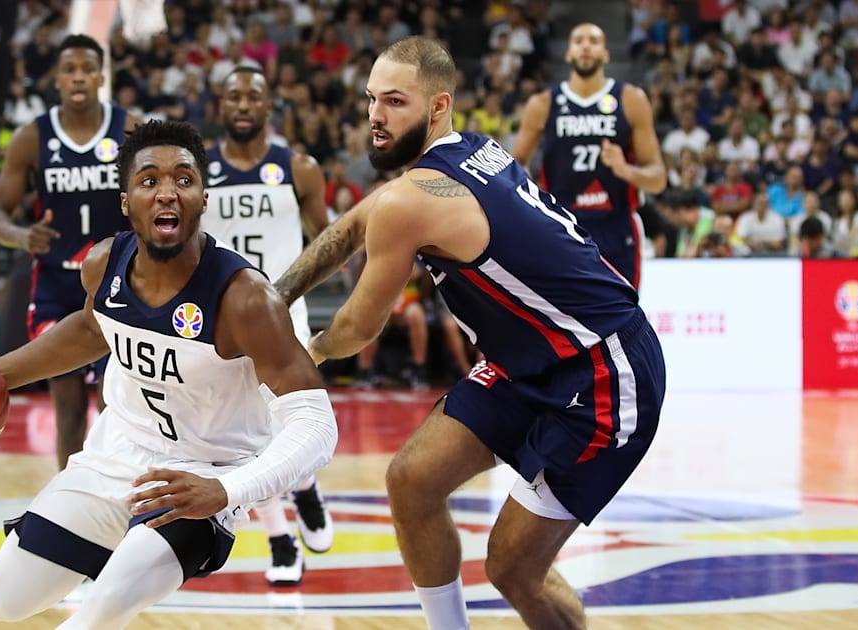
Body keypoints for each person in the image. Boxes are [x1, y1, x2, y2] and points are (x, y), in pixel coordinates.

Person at [273, 36, 666, 629]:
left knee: (512, 567)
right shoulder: (470, 151)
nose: (376, 116)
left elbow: (356, 327)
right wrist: (272, 301)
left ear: (437, 107)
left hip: (604, 372)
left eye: (395, 102)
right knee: (411, 481)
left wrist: (298, 353)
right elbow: (350, 228)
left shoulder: (416, 197)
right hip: (527, 363)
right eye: (371, 99)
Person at [0, 120, 337, 628]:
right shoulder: (103, 265)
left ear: (204, 197)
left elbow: (318, 425)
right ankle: (129, 552)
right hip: (114, 460)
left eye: (184, 179)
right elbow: (89, 330)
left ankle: (149, 557)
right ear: (126, 202)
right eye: (149, 180)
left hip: (201, 477)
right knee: (5, 600)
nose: (167, 192)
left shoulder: (245, 299)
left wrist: (229, 491)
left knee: (98, 610)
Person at [202, 66, 333, 586]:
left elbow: (329, 244)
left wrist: (292, 289)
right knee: (246, 438)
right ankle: (280, 537)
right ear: (220, 105)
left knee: (288, 427)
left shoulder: (298, 168)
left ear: (268, 106)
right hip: (220, 321)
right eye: (231, 95)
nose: (241, 104)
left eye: (252, 96)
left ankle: (305, 484)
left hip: (284, 316)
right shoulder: (198, 171)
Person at [0, 34, 139, 469]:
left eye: (87, 68)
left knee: (115, 403)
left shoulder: (130, 127)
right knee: (68, 406)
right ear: (57, 79)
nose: (78, 77)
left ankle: (116, 496)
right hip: (56, 282)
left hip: (117, 281)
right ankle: (69, 511)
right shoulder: (31, 138)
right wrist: (20, 235)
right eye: (69, 69)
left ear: (101, 76)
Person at [511, 23, 666, 288]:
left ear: (605, 53)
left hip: (617, 226)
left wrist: (626, 170)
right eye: (578, 40)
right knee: (564, 321)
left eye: (593, 41)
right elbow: (514, 167)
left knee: (624, 319)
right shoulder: (543, 104)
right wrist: (532, 199)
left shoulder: (631, 99)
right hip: (561, 226)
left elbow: (658, 179)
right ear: (568, 53)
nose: (585, 45)